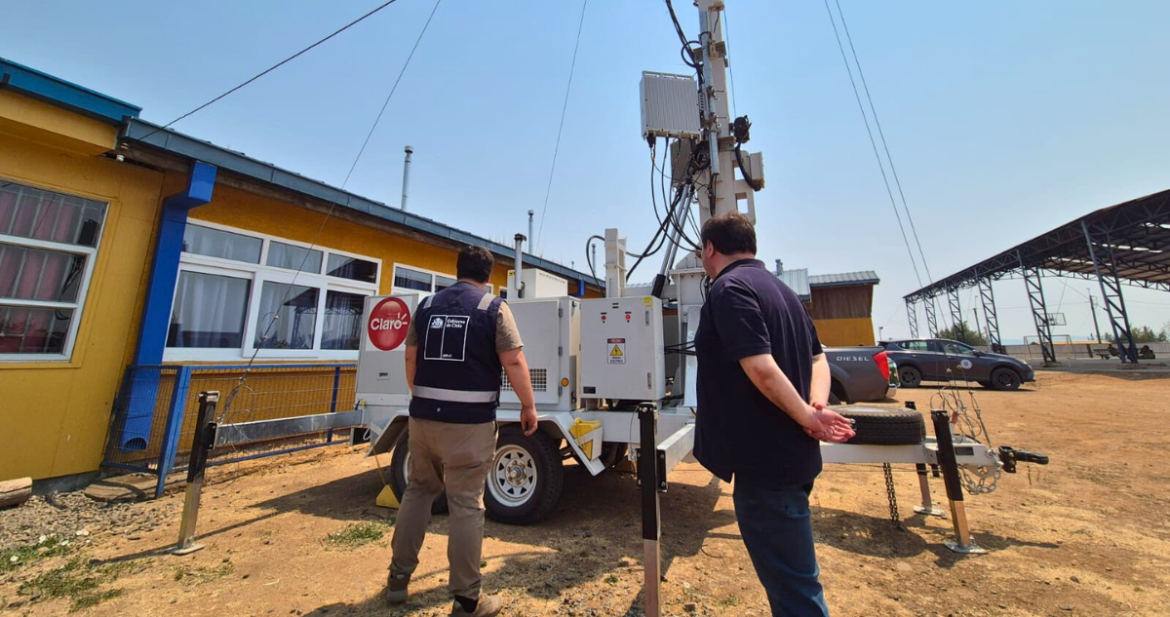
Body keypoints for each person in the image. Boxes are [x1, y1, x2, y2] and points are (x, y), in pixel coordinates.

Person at [692, 213, 855, 617]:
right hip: (792, 458)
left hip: (766, 463)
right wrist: (816, 405)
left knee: (796, 592)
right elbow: (818, 357)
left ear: (710, 248)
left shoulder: (730, 289)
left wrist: (808, 417)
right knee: (795, 579)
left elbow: (760, 367)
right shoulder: (783, 291)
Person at [384, 245, 538, 617]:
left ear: (457, 270)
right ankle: (468, 600)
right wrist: (528, 405)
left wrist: (420, 396)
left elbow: (410, 355)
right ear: (489, 275)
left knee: (418, 491)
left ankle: (398, 581)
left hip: (422, 421)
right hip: (469, 426)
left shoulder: (425, 307)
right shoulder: (493, 308)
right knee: (466, 504)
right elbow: (514, 360)